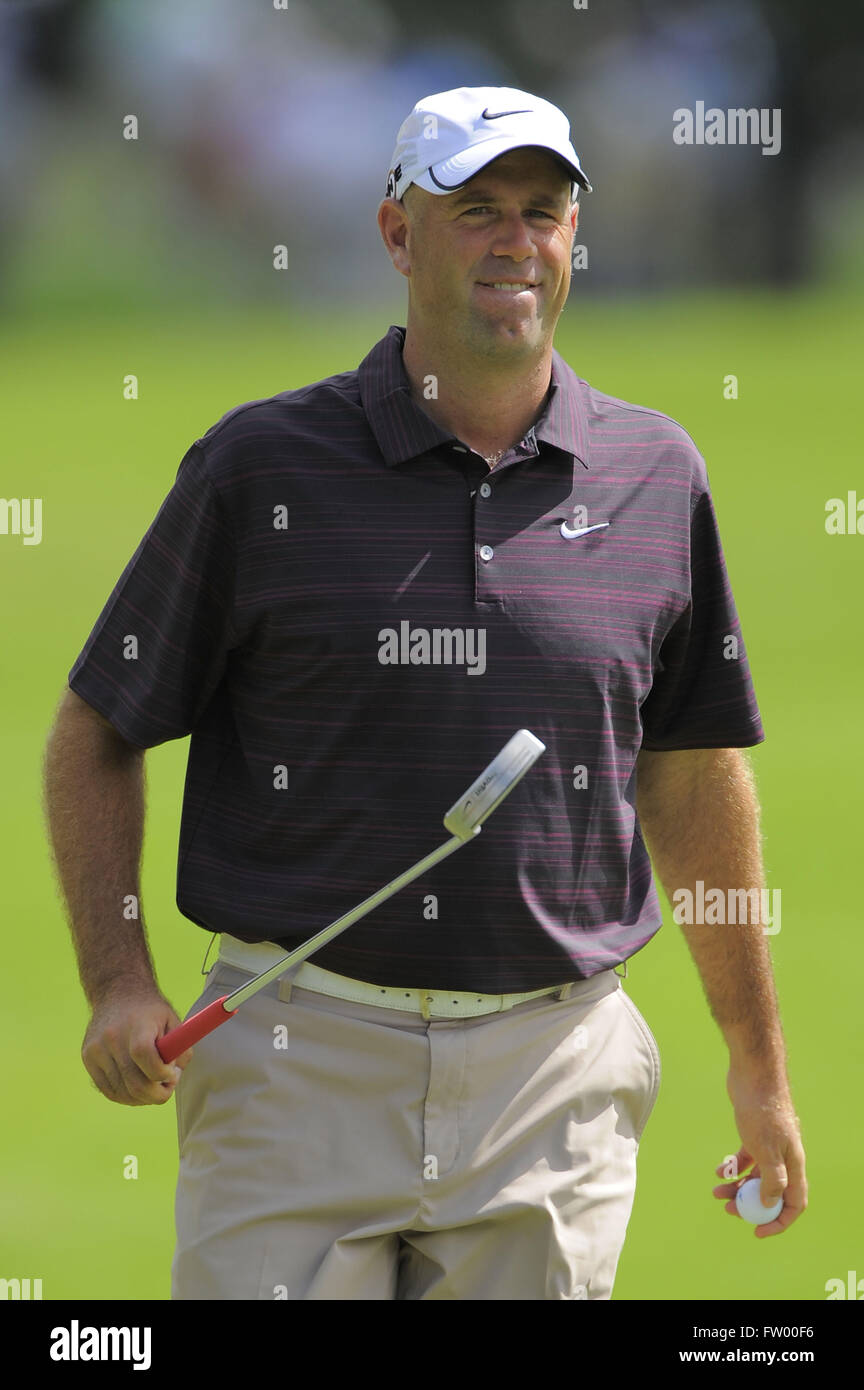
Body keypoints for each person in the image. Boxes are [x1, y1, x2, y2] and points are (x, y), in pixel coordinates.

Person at [43, 85, 807, 1301]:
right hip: (295, 1053)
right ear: (398, 235)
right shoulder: (261, 465)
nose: (517, 241)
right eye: (477, 211)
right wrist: (118, 978)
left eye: (544, 212)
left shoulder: (659, 472)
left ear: (572, 241)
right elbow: (99, 724)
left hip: (551, 1074)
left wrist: (758, 1068)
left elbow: (693, 765)